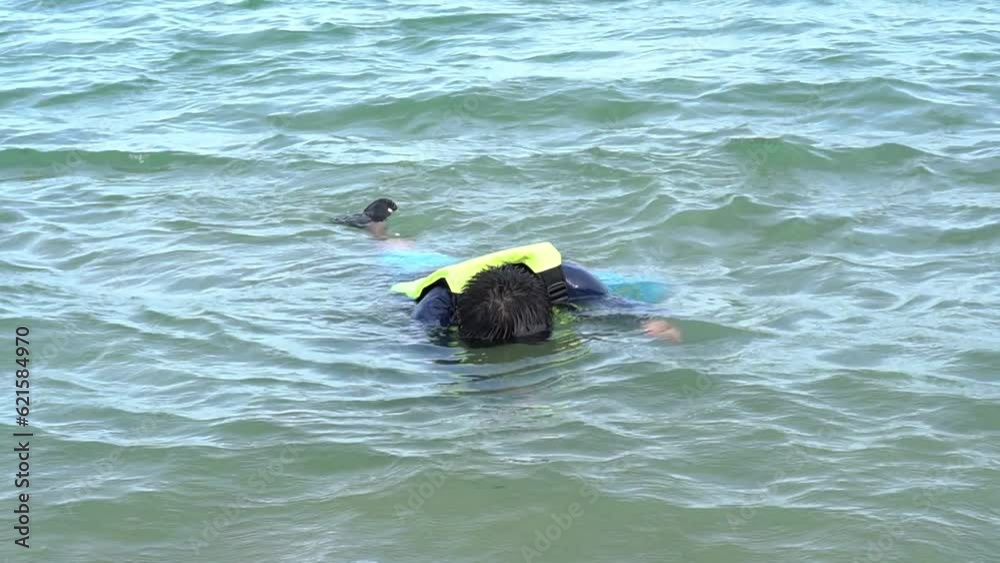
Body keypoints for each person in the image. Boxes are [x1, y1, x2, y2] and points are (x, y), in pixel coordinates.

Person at [336, 198, 682, 346]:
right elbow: (419, 348)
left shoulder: (572, 283)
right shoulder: (434, 310)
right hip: (439, 278)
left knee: (651, 289)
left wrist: (653, 325)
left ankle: (381, 234)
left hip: (523, 275)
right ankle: (376, 229)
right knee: (396, 258)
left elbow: (624, 312)